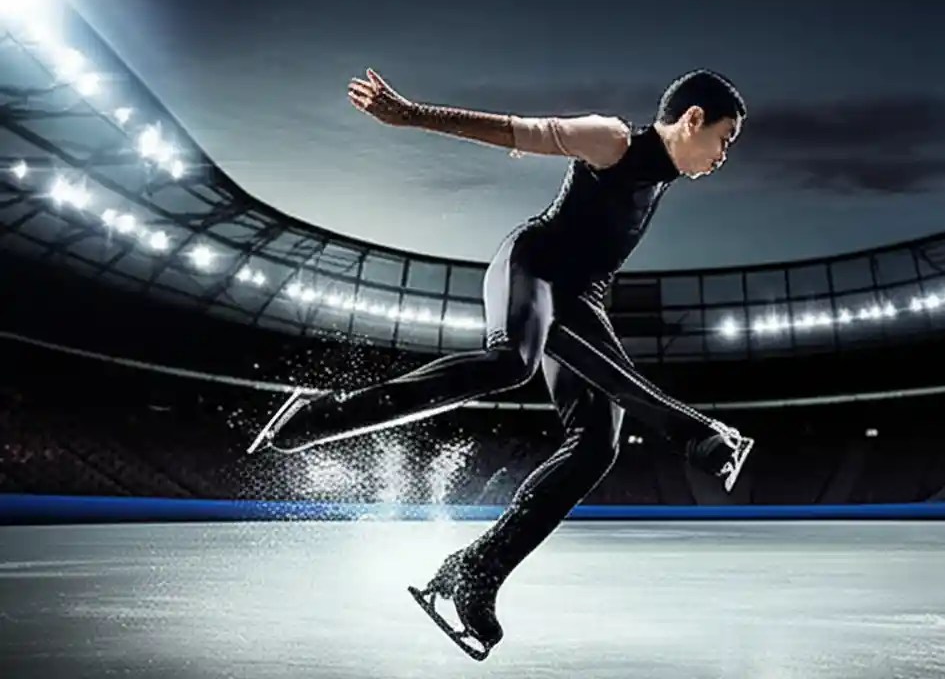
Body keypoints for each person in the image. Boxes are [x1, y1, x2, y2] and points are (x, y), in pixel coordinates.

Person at [250, 67, 754, 661]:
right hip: (532, 269)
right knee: (512, 361)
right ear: (692, 119)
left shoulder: (664, 176)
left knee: (597, 443)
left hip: (579, 298)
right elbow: (515, 131)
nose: (725, 154)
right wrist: (409, 113)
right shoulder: (613, 140)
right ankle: (319, 415)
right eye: (725, 138)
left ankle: (476, 572)